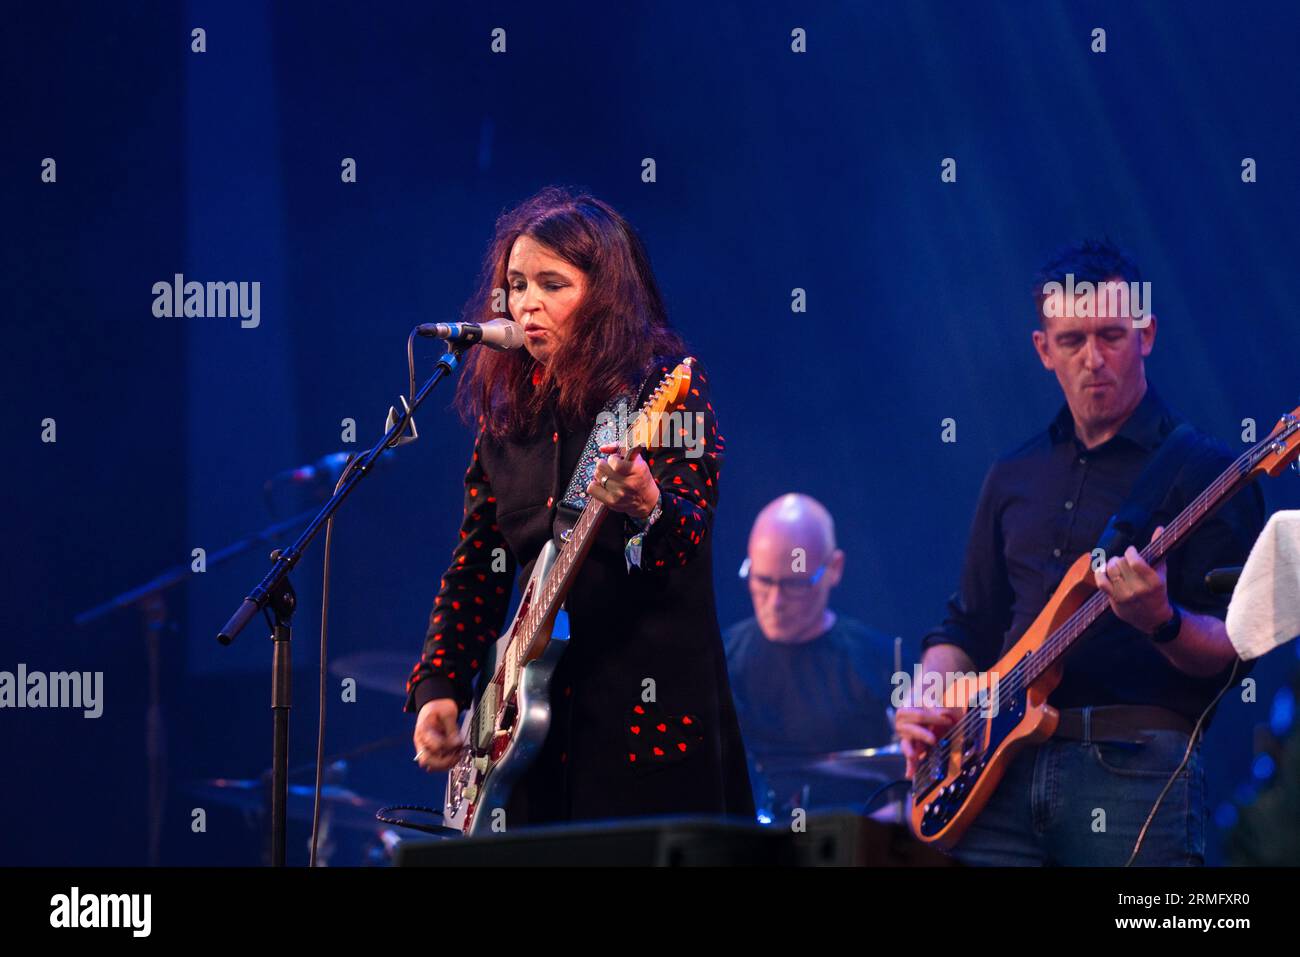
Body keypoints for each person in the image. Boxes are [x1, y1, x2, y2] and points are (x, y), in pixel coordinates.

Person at [895, 239, 1266, 866]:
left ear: (1147, 334)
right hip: (994, 776)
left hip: (1133, 773)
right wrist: (928, 695)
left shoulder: (1210, 472)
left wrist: (1163, 622)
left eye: (1112, 335)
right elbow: (966, 624)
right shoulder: (1013, 474)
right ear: (1044, 349)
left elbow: (1236, 651)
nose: (1094, 358)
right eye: (1072, 340)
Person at [404, 186, 753, 827]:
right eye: (515, 284)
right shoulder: (506, 421)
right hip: (530, 746)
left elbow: (687, 536)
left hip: (643, 732)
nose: (526, 303)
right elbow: (478, 570)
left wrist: (648, 505)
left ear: (604, 295)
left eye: (552, 283)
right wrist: (439, 689)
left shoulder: (662, 389)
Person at [725, 493, 897, 818]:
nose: (774, 601)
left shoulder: (881, 662)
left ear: (834, 568)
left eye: (794, 584)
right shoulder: (721, 661)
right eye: (762, 581)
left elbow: (909, 782)